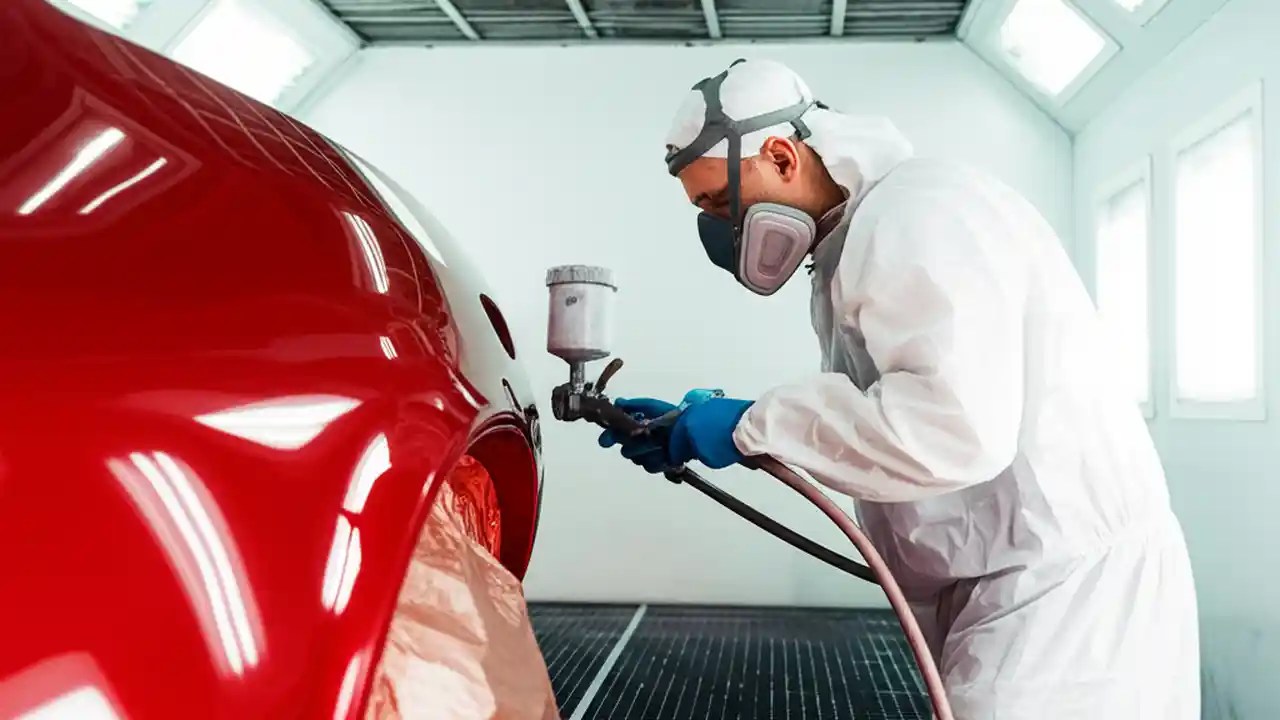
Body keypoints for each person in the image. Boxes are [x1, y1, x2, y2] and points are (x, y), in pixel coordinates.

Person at [598, 59, 1200, 719]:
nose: (720, 227)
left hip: (1064, 602)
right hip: (1013, 582)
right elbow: (885, 410)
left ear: (780, 157)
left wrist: (751, 423)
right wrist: (725, 423)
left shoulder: (917, 214)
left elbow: (950, 427)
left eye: (719, 202)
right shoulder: (858, 235)